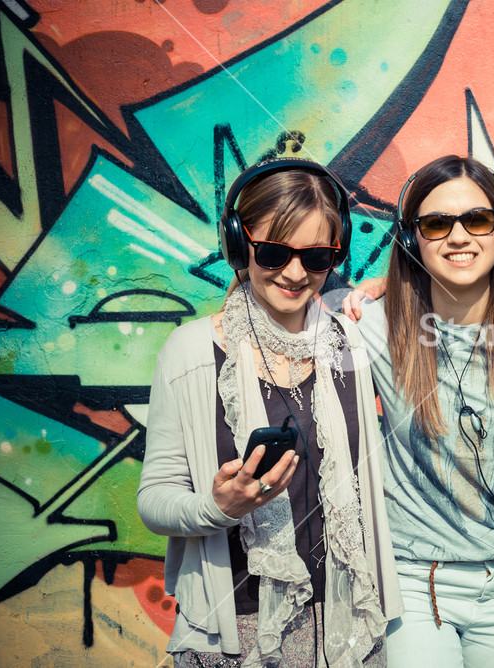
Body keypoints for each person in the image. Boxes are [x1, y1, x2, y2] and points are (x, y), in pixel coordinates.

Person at [137, 158, 401, 667]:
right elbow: (155, 498)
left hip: (346, 627)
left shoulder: (352, 339)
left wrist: (393, 280)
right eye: (275, 252)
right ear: (240, 245)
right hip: (237, 630)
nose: (296, 273)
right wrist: (219, 508)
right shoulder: (191, 351)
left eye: (318, 256)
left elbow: (474, 300)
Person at [346, 155, 494, 668]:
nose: (458, 236)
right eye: (437, 224)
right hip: (416, 582)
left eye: (477, 220)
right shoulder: (374, 323)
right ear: (411, 236)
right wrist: (381, 285)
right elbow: (279, 302)